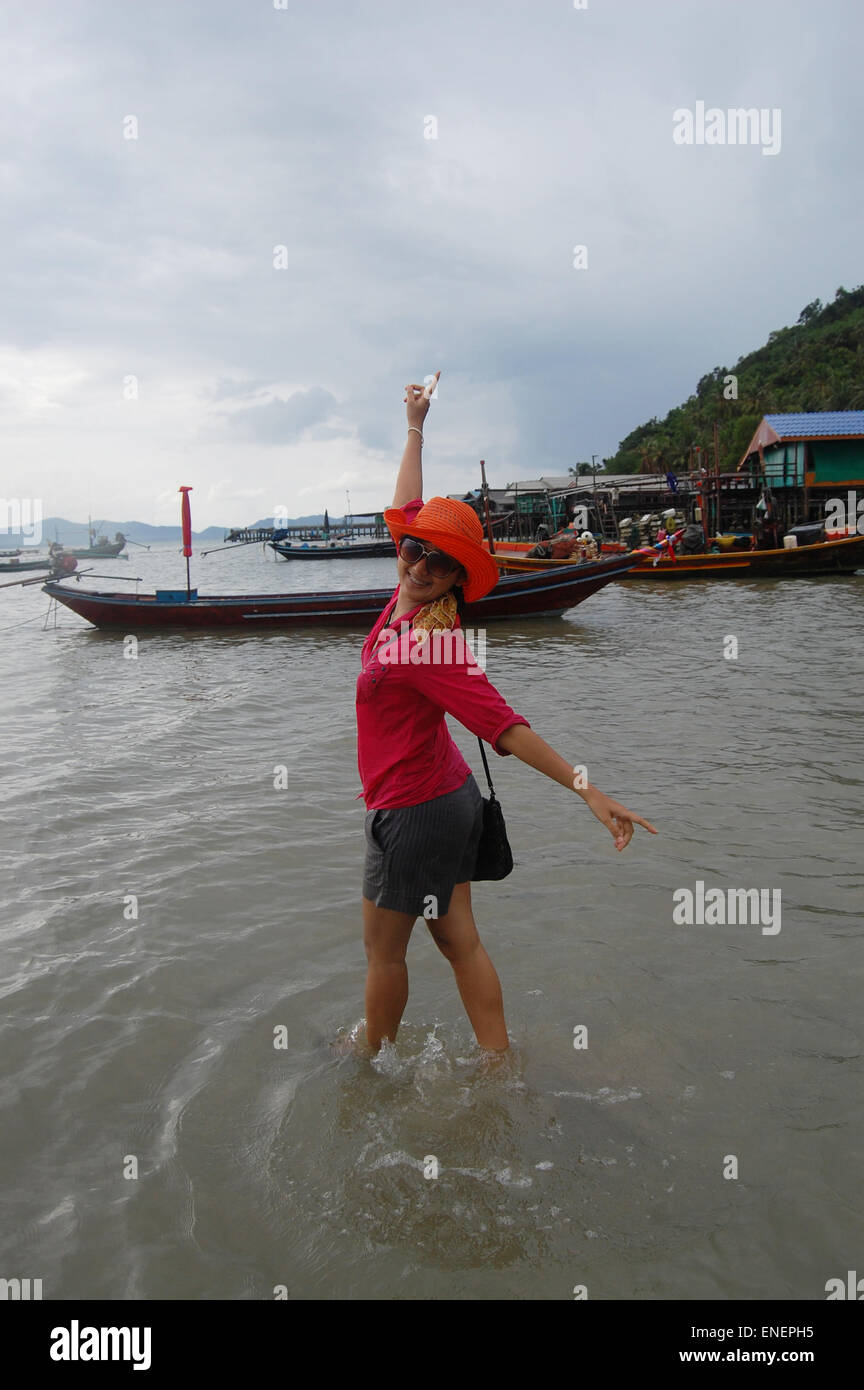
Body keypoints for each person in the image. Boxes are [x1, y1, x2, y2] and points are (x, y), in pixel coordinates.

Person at [355, 380, 658, 1056]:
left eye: (442, 562)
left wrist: (591, 793)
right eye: (414, 550)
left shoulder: (428, 643)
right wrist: (415, 425)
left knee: (383, 954)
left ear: (459, 579)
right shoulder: (403, 600)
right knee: (458, 940)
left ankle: (367, 1067)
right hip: (446, 797)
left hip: (415, 812)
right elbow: (408, 506)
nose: (422, 564)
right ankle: (499, 1065)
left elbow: (506, 728)